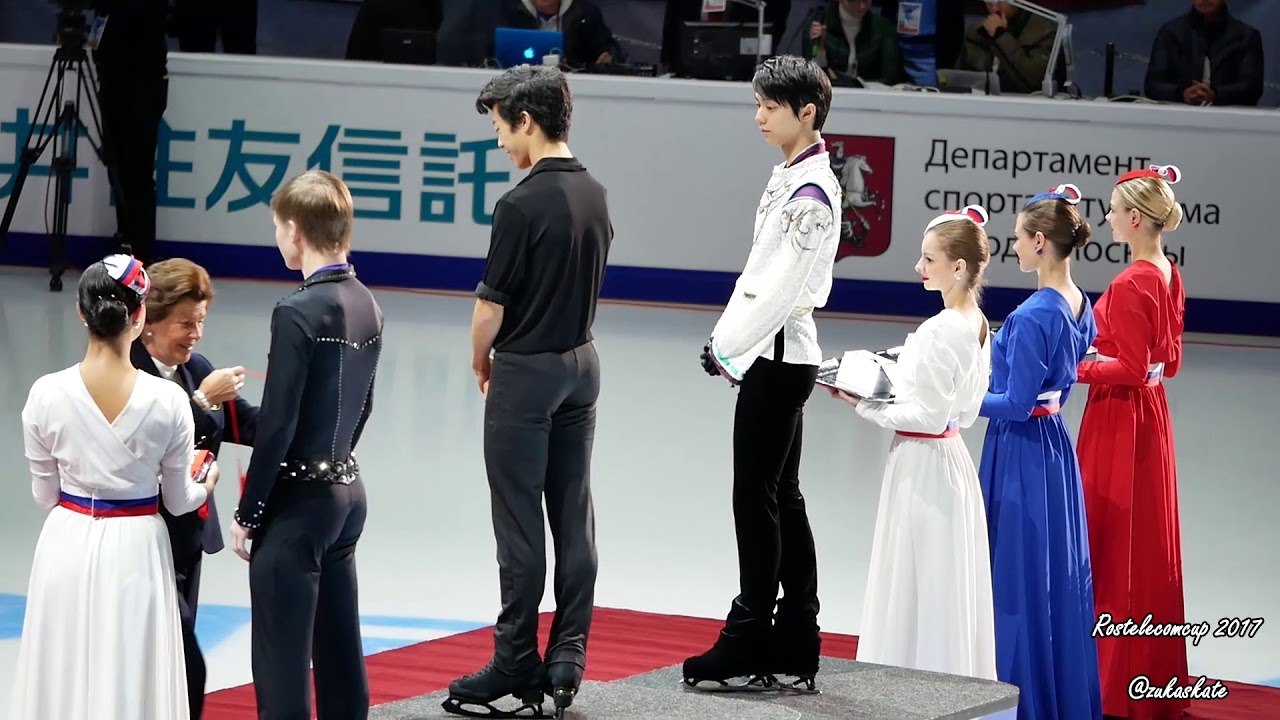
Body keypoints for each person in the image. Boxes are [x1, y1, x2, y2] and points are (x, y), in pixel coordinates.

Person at [444, 63, 611, 720]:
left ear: (528, 121)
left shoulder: (518, 205)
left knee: (518, 523)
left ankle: (515, 658)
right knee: (573, 511)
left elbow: (491, 310)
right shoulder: (596, 193)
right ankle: (568, 651)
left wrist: (480, 360)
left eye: (500, 129)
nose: (500, 145)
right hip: (582, 366)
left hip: (527, 372)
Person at [686, 54, 841, 693]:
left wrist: (727, 346)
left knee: (756, 499)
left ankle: (750, 635)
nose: (758, 117)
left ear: (806, 112)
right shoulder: (793, 176)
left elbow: (777, 288)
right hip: (778, 355)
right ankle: (796, 635)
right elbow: (762, 276)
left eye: (769, 106)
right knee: (782, 495)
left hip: (778, 358)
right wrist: (732, 343)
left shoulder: (811, 191)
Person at [9, 254, 216, 720]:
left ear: (82, 313)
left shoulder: (45, 393)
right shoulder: (168, 400)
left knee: (62, 667)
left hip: (67, 542)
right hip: (137, 545)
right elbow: (180, 500)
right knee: (131, 671)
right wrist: (208, 482)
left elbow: (45, 496)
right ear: (140, 315)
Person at [229, 171, 384, 719]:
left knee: (281, 662)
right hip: (346, 492)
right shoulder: (367, 302)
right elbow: (362, 405)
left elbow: (280, 425)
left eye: (276, 228)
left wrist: (251, 512)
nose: (277, 238)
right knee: (341, 653)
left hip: (298, 509)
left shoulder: (296, 311)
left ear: (295, 231)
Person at [828, 205, 996, 680]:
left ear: (958, 267)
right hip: (951, 462)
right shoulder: (978, 322)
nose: (919, 269)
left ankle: (908, 689)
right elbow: (962, 410)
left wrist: (862, 403)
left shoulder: (943, 328)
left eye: (928, 259)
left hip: (923, 466)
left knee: (915, 581)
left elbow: (930, 413)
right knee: (941, 583)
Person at [978, 183, 1101, 720]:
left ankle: (1017, 698)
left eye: (1018, 240)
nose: (1014, 248)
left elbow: (1016, 403)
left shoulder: (1032, 315)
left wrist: (954, 399)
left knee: (1017, 576)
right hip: (1055, 449)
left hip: (1022, 452)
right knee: (1052, 574)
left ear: (1041, 243)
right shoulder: (1081, 304)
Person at [1076, 165, 1188, 720]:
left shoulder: (1130, 282)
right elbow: (1169, 363)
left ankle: (1113, 679)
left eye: (1114, 210)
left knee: (1113, 538)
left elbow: (1129, 366)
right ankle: (1149, 674)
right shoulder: (1169, 273)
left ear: (1135, 218)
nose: (1108, 218)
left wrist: (1077, 366)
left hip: (1120, 421)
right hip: (1153, 417)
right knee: (1147, 539)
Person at [131, 257, 260, 719]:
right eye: (185, 323)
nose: (196, 334)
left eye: (201, 321)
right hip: (143, 538)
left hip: (189, 535)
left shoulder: (195, 366)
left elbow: (249, 426)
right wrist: (203, 400)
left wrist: (300, 403)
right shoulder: (128, 372)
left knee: (176, 654)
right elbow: (151, 437)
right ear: (149, 321)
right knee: (182, 658)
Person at [92, 0, 169, 263]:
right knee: (116, 166)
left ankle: (141, 253)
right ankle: (125, 239)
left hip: (143, 81)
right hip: (111, 78)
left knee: (138, 173)